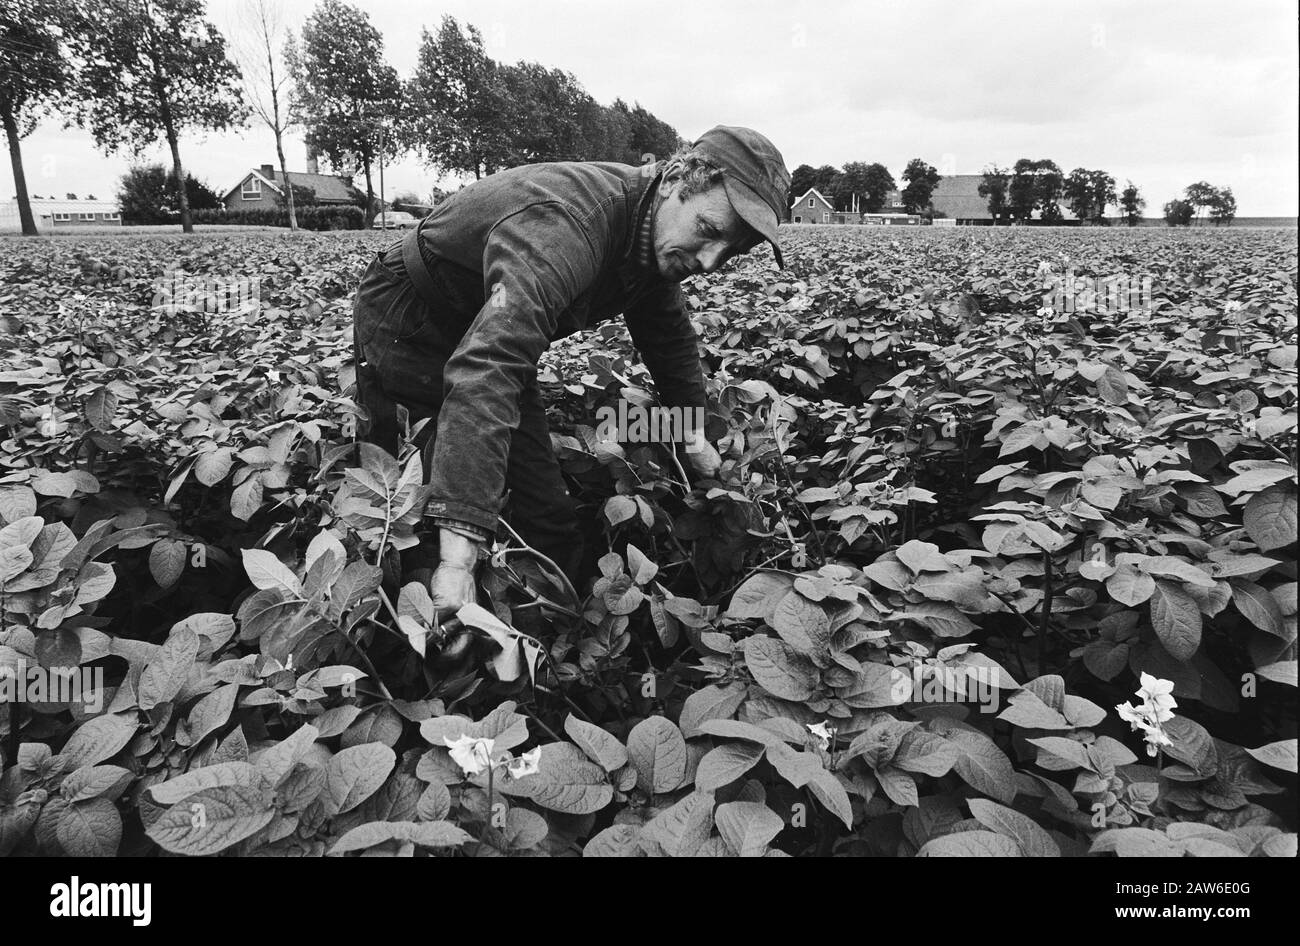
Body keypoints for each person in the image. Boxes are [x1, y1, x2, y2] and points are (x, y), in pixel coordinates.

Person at [351, 125, 791, 627]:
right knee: (409, 514)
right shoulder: (567, 226)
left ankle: (552, 652)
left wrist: (693, 437)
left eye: (730, 251)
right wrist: (458, 557)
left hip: (491, 325)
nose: (711, 263)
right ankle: (406, 642)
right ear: (674, 180)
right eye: (710, 231)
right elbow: (488, 372)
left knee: (549, 521)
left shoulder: (653, 231)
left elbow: (668, 338)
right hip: (412, 317)